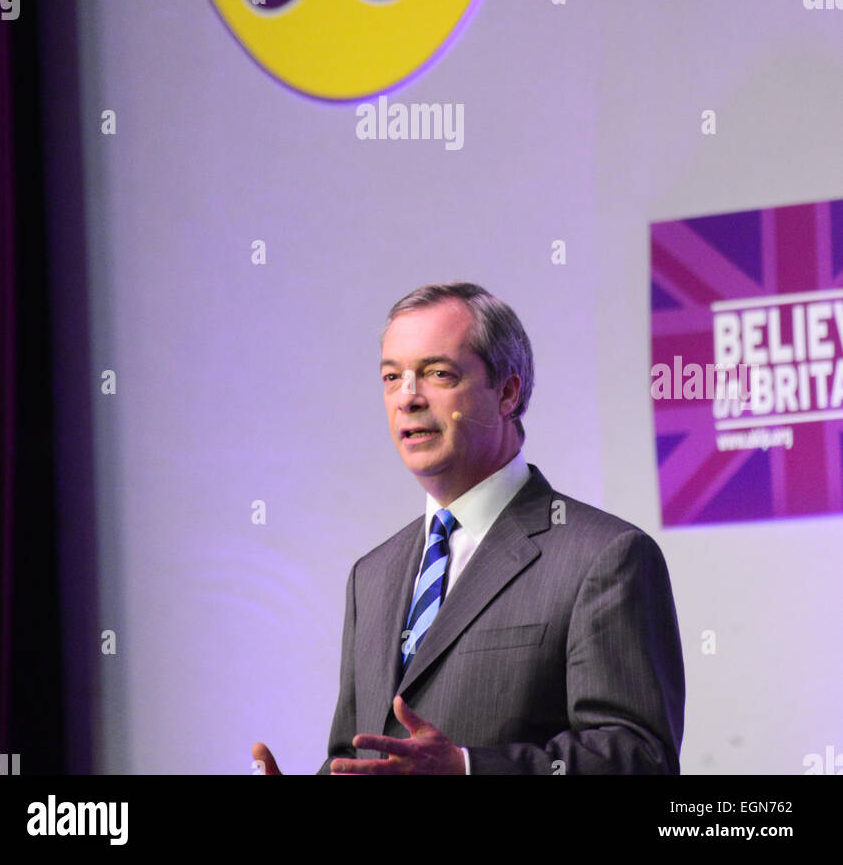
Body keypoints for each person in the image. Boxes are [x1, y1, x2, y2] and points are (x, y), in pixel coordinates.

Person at [253, 282, 685, 775]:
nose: (407, 398)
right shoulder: (369, 577)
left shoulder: (605, 556)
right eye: (392, 377)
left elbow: (639, 759)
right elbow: (355, 758)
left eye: (437, 373)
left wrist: (466, 768)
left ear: (506, 392)